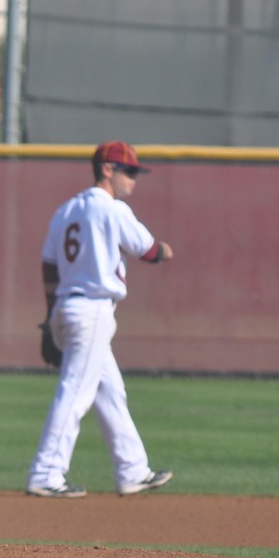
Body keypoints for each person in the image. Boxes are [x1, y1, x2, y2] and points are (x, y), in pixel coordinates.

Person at [26, 140, 174, 498]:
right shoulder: (112, 208)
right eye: (129, 171)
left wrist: (50, 319)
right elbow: (149, 250)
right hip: (91, 311)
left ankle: (132, 470)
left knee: (110, 391)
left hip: (66, 308)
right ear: (107, 169)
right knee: (75, 391)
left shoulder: (65, 210)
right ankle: (46, 473)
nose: (134, 178)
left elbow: (49, 267)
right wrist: (165, 251)